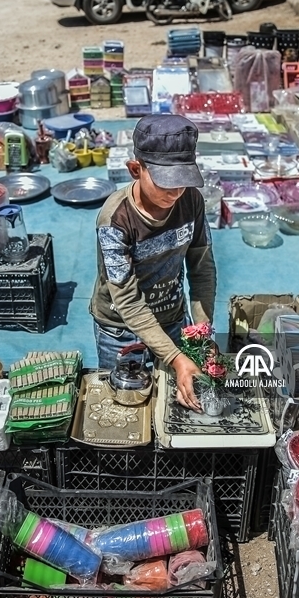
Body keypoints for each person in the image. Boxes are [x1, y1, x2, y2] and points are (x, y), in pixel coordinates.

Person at [90, 114, 217, 411]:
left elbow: (202, 269)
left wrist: (202, 329)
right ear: (136, 169)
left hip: (172, 319)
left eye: (183, 182)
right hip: (121, 331)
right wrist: (175, 358)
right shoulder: (115, 220)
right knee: (127, 405)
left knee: (177, 400)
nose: (175, 193)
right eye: (165, 182)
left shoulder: (191, 201)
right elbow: (129, 302)